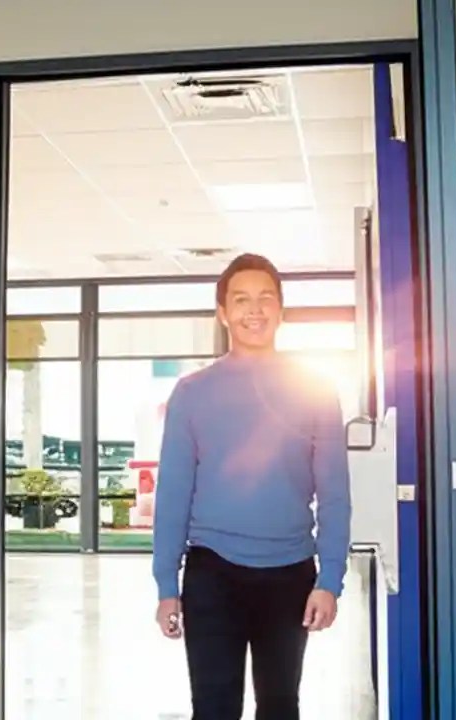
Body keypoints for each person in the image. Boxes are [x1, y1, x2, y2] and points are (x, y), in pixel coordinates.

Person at [151, 253, 353, 720]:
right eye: (241, 300)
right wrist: (166, 585)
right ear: (223, 312)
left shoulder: (316, 389)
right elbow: (174, 494)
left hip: (290, 574)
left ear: (281, 311)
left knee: (280, 707)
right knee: (215, 708)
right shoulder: (192, 392)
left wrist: (330, 580)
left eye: (265, 299)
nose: (254, 310)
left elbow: (335, 492)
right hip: (212, 573)